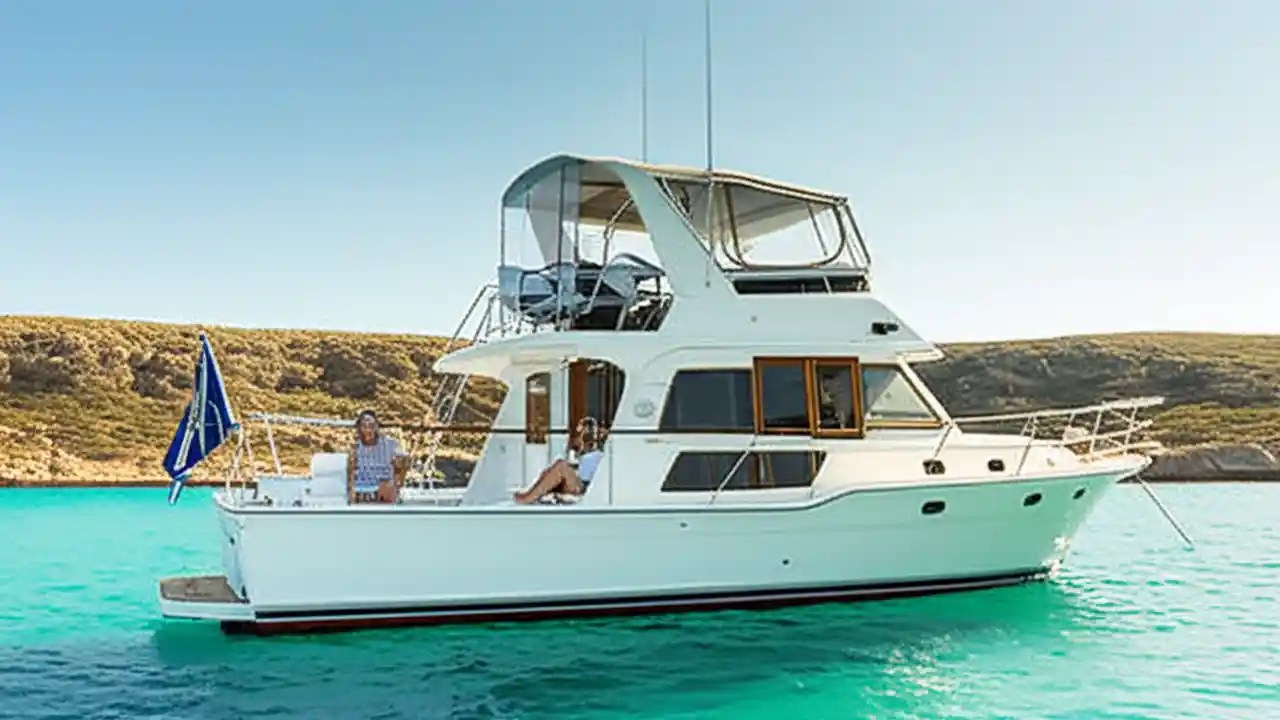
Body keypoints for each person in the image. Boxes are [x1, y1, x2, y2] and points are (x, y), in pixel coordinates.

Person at [514, 417, 603, 505]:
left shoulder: (602, 452)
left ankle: (529, 498)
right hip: (578, 481)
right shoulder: (585, 451)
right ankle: (530, 493)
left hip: (582, 487)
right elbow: (581, 467)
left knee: (561, 465)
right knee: (548, 472)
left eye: (587, 431)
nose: (584, 434)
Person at [347, 409, 409, 504]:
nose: (368, 430)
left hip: (384, 485)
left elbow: (403, 460)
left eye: (371, 426)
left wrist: (399, 473)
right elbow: (350, 473)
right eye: (364, 426)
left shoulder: (390, 444)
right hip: (361, 487)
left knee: (387, 486)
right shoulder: (355, 447)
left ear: (377, 427)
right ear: (359, 428)